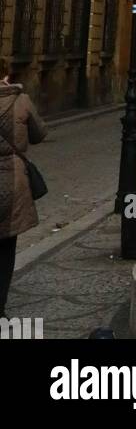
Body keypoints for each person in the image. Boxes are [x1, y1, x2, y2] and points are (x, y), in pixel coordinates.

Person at [0, 58, 47, 316]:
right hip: (14, 182)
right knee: (6, 248)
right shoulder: (21, 100)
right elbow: (40, 134)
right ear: (6, 75)